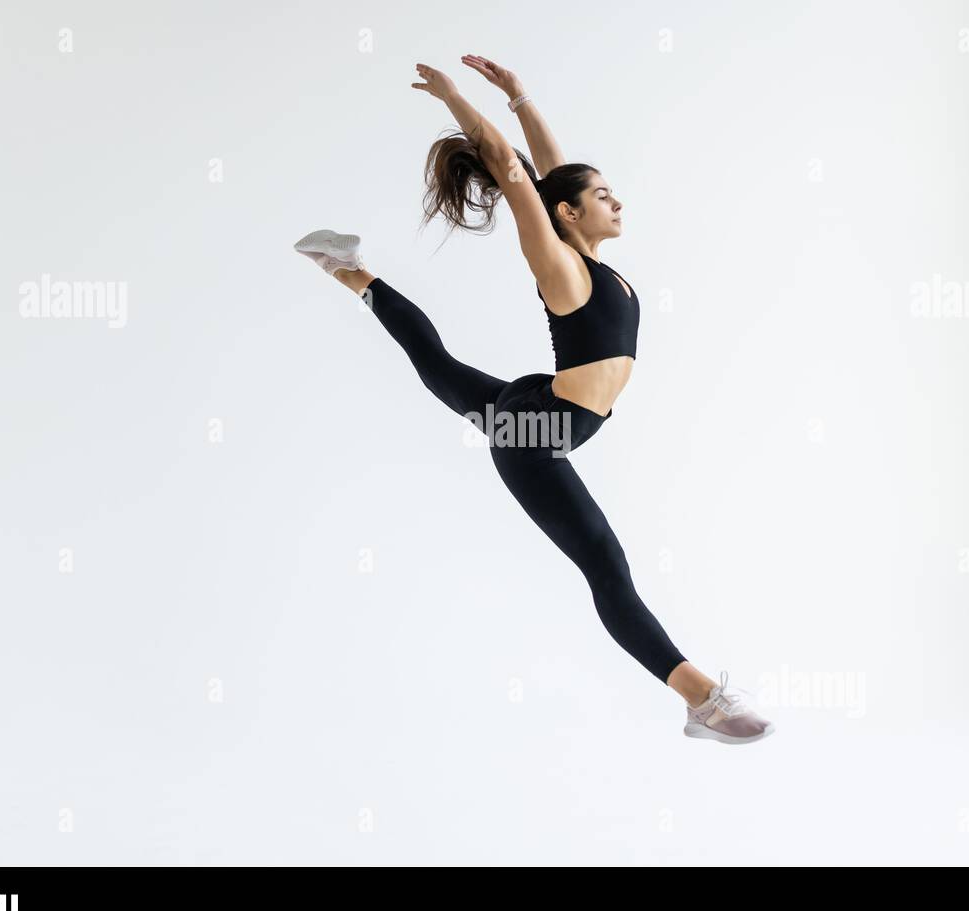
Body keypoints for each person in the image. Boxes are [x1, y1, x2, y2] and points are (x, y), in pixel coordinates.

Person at [295, 56, 773, 745]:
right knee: (606, 567)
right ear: (570, 215)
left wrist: (521, 98)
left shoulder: (593, 262)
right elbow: (517, 173)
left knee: (441, 369)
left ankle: (347, 265)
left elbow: (550, 177)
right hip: (534, 434)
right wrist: (459, 101)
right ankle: (702, 698)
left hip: (542, 405)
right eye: (604, 195)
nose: (618, 201)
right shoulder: (562, 269)